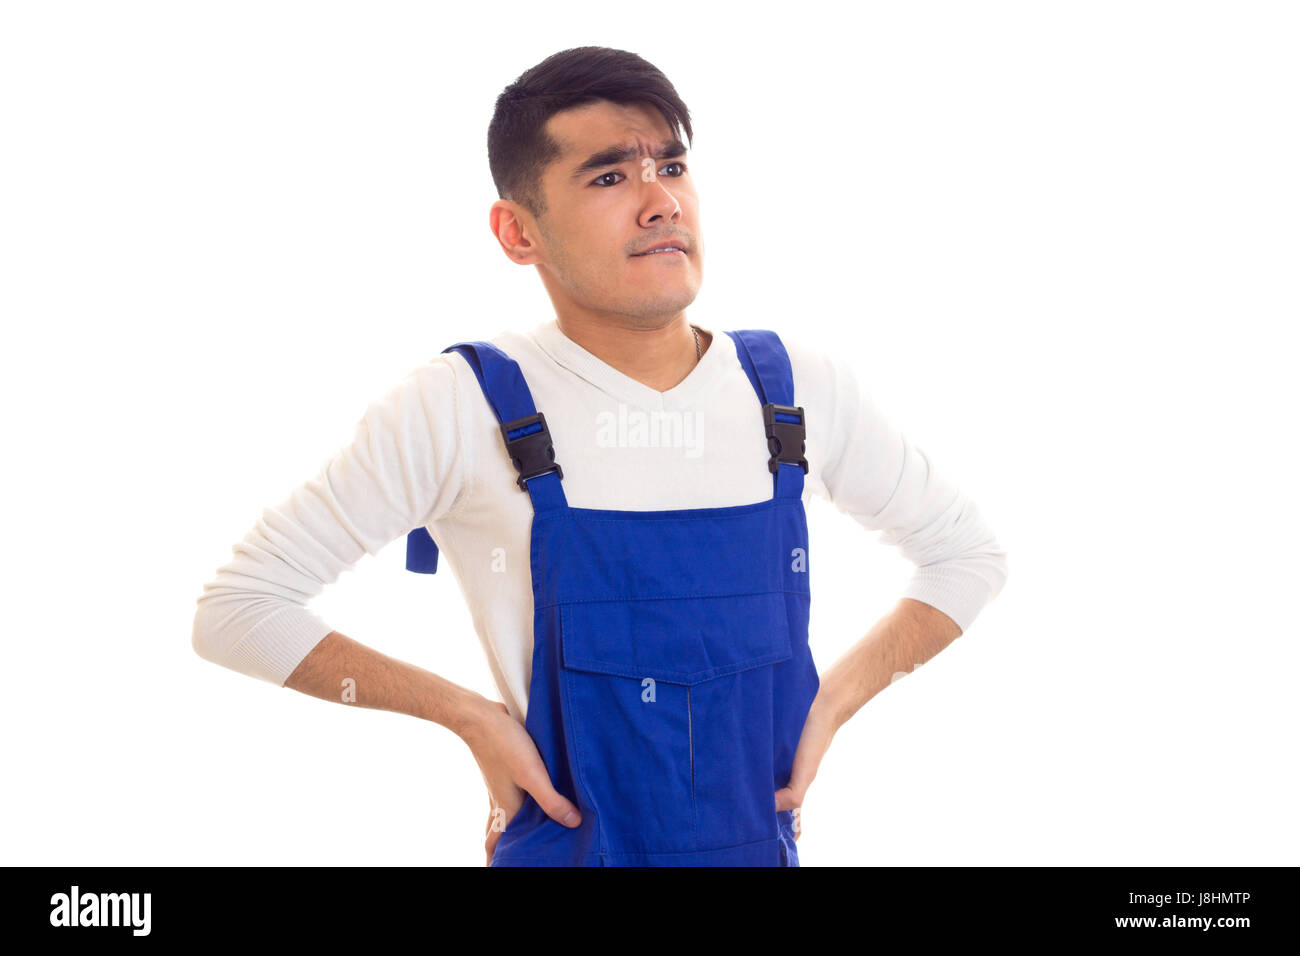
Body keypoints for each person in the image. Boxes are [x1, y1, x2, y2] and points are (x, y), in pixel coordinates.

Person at [192, 45, 1009, 866]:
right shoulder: (461, 405)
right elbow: (239, 612)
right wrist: (471, 717)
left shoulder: (793, 396)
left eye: (674, 165)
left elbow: (966, 558)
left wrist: (830, 705)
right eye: (610, 177)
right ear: (518, 232)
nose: (660, 203)